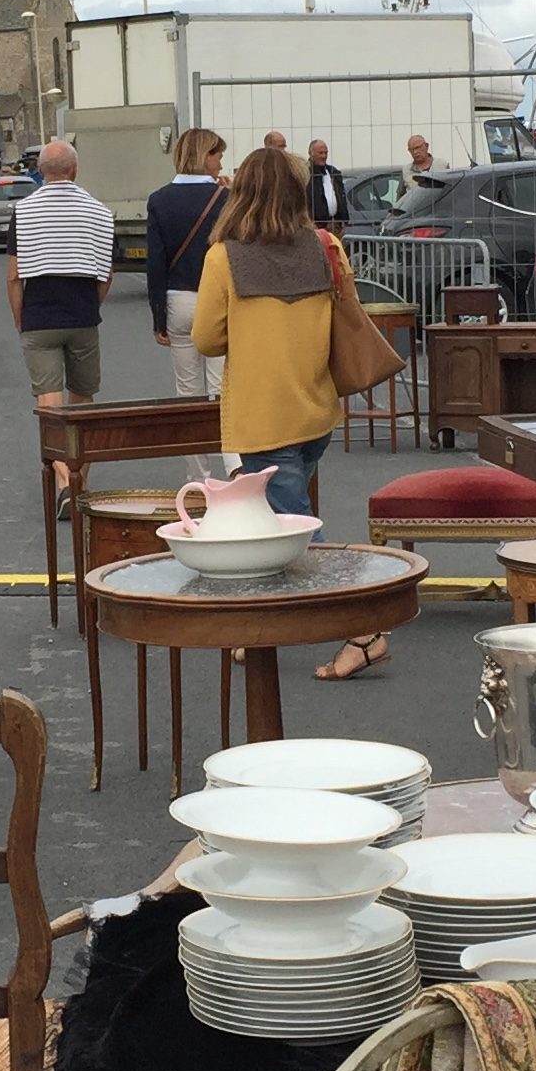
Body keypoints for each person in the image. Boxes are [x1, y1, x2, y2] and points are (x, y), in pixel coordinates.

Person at [188, 147, 378, 678]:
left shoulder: (225, 257)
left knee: (296, 530)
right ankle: (263, 622)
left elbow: (204, 338)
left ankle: (364, 629)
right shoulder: (326, 246)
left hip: (262, 414)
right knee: (273, 517)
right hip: (316, 406)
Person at [8, 139, 116, 448]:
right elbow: (106, 274)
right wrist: (91, 304)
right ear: (75, 170)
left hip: (39, 316)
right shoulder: (99, 212)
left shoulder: (24, 211)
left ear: (40, 171)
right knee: (83, 396)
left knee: (49, 399)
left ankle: (59, 474)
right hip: (82, 314)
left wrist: (21, 317)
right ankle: (80, 472)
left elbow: (14, 276)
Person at [147, 126, 230, 397]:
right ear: (205, 156)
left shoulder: (159, 200)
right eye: (217, 155)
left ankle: (193, 438)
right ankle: (219, 439)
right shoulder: (227, 199)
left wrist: (158, 317)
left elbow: (156, 264)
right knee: (220, 386)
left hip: (178, 298)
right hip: (218, 298)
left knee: (187, 388)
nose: (220, 162)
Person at [302, 139, 347, 233]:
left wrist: (343, 220)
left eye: (326, 153)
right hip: (315, 226)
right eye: (320, 153)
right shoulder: (305, 174)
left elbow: (341, 196)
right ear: (311, 153)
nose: (324, 156)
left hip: (335, 225)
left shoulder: (333, 172)